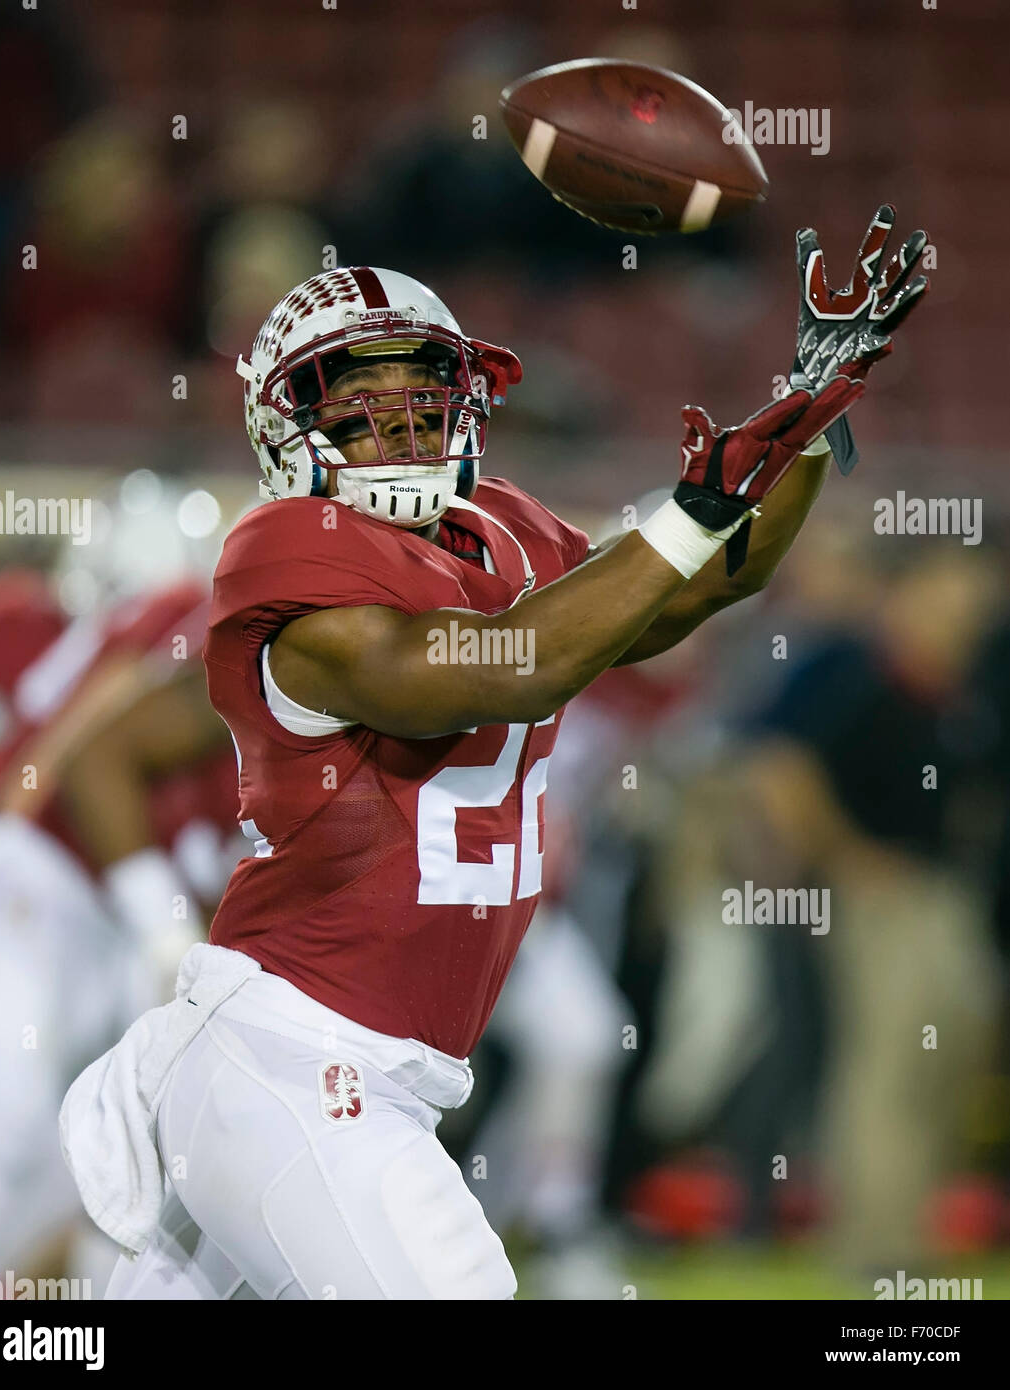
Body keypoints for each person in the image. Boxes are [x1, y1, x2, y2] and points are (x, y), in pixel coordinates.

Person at [67, 207, 930, 1300]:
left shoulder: (501, 527)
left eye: (421, 388)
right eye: (359, 399)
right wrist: (692, 511)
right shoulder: (287, 565)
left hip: (357, 1068)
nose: (402, 420)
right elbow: (506, 665)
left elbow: (686, 592)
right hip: (294, 1057)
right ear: (290, 424)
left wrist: (804, 408)